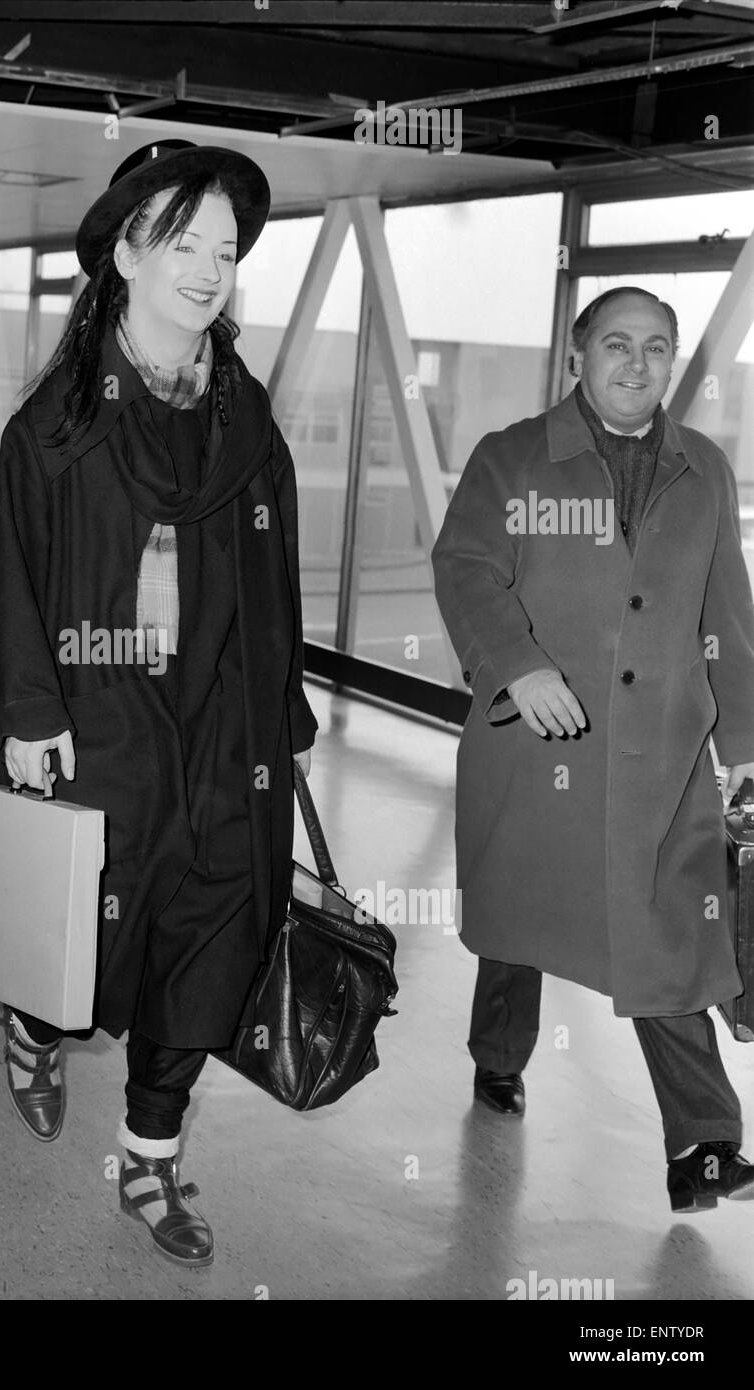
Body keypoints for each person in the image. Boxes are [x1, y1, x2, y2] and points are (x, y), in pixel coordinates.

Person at [0, 139, 317, 1267]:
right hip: (100, 715)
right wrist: (26, 715)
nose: (209, 268)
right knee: (90, 928)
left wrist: (284, 714)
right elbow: (9, 570)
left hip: (223, 729)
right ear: (127, 251)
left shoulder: (245, 423)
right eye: (185, 243)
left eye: (226, 248)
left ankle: (148, 1154)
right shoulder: (57, 426)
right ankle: (35, 1021)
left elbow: (278, 576)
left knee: (213, 934)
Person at [432, 286, 754, 1214]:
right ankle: (498, 1056)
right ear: (577, 354)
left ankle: (701, 1147)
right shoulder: (512, 458)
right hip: (538, 754)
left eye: (656, 348)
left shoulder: (705, 469)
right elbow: (466, 570)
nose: (636, 364)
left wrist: (744, 744)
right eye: (616, 343)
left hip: (660, 760)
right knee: (517, 924)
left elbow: (726, 616)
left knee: (662, 941)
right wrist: (518, 666)